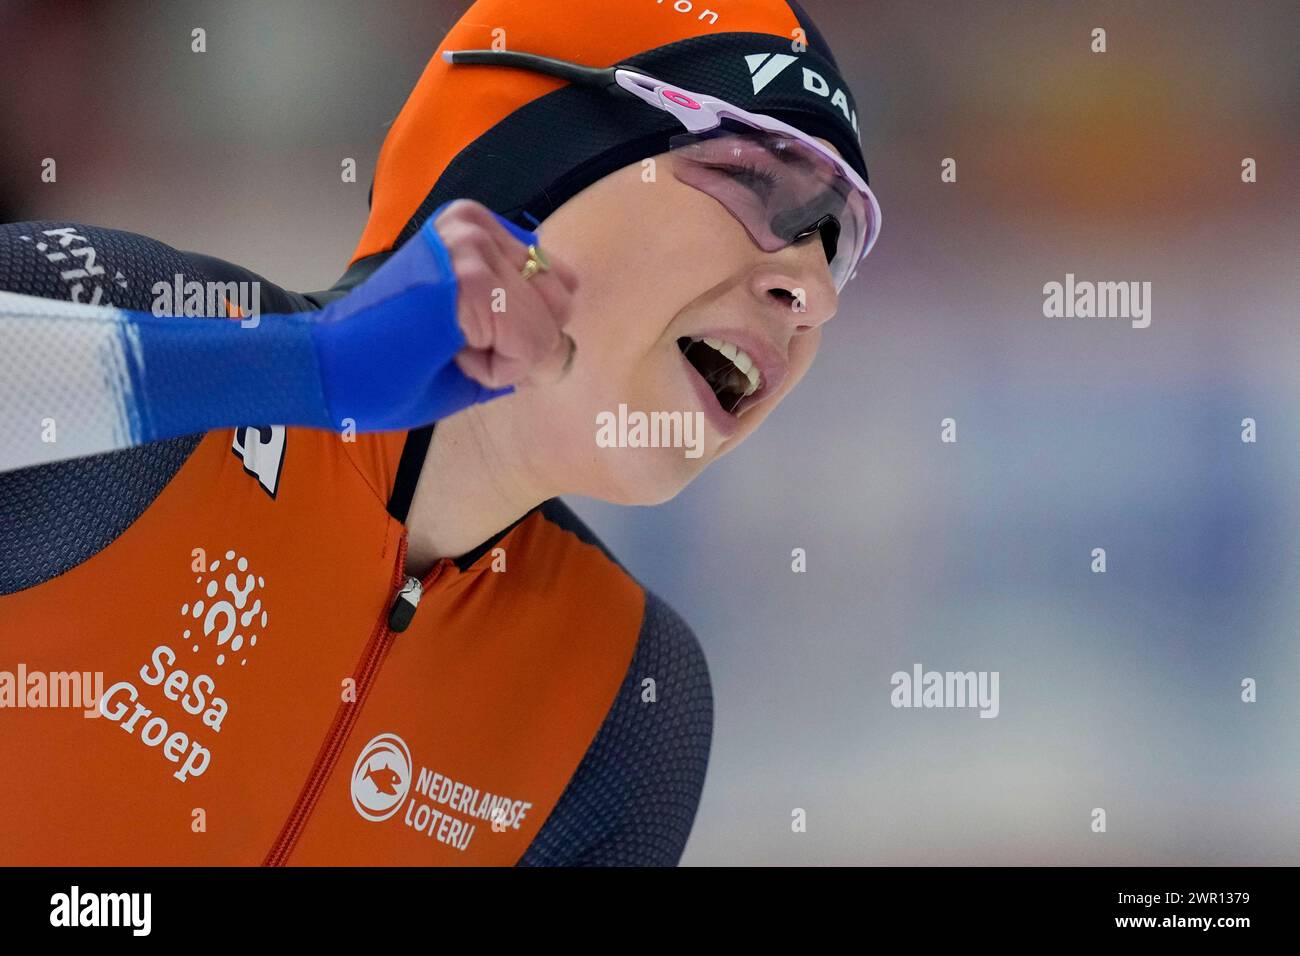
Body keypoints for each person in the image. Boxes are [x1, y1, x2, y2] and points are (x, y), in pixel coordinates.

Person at [0, 0, 880, 865]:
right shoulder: (146, 336)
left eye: (834, 241)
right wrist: (311, 372)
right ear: (538, 159)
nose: (816, 293)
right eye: (759, 182)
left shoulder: (623, 706)